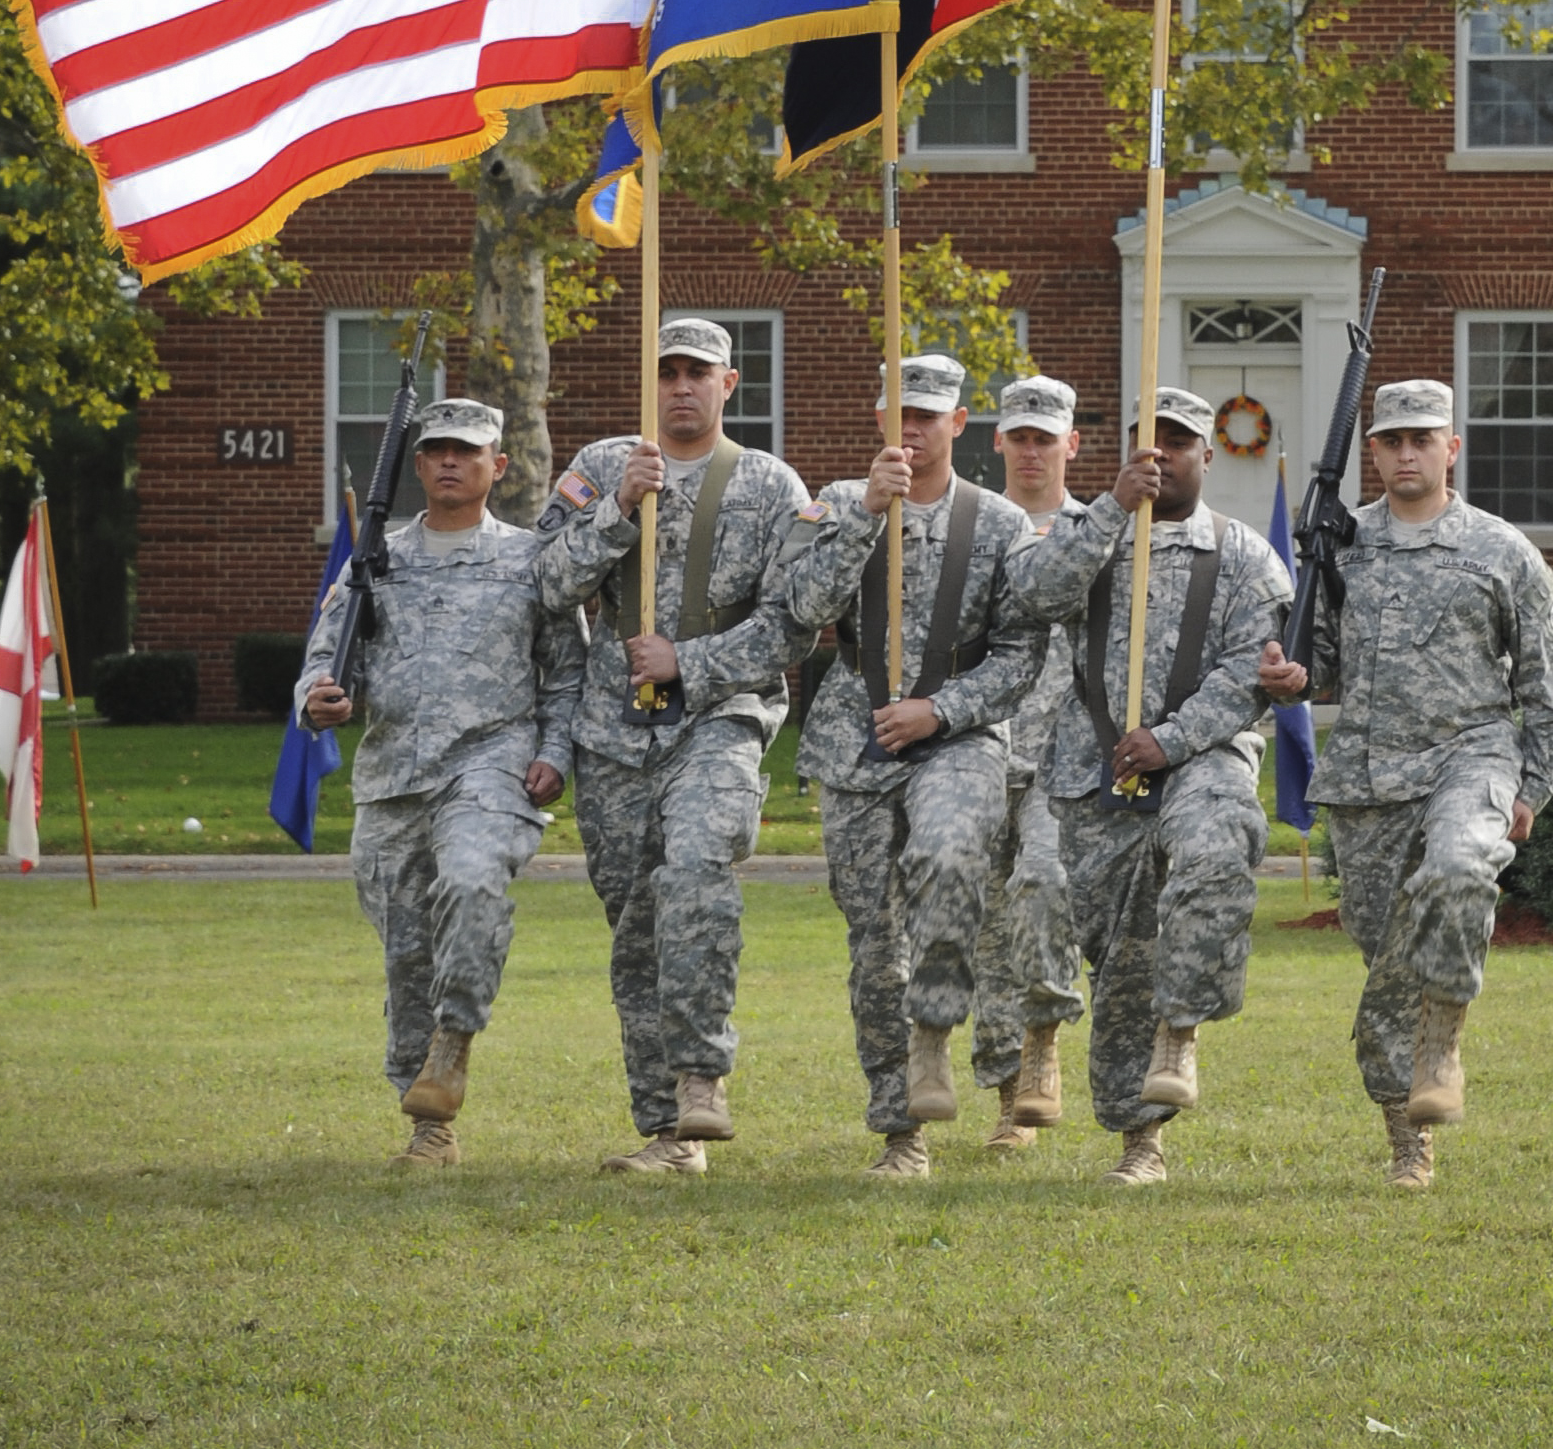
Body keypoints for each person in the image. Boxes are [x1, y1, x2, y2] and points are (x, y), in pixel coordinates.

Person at [1257, 380, 1553, 1191]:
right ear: (1373, 452)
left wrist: (1531, 789)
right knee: (1384, 961)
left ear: (1451, 448)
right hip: (1367, 778)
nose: (1407, 453)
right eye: (1392, 440)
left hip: (1468, 758)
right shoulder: (1341, 545)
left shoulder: (1503, 552)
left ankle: (1444, 1040)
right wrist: (1290, 675)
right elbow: (1318, 663)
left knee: (1458, 870)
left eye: (1422, 439)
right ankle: (1408, 1137)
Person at [534, 318, 814, 1175]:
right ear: (648, 382)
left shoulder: (769, 486)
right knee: (636, 928)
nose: (682, 386)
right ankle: (666, 1134)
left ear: (731, 385)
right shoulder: (601, 469)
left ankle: (702, 1075)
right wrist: (619, 512)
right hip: (614, 732)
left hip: (721, 719)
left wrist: (688, 661)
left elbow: (793, 626)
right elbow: (545, 584)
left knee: (697, 872)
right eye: (667, 371)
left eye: (699, 372)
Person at [1006, 387, 1291, 1186]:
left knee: (1215, 849)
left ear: (1209, 455)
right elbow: (1032, 597)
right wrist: (1108, 514)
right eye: (1148, 440)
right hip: (1091, 769)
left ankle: (1182, 1026)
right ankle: (1141, 1143)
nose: (1162, 453)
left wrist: (1169, 741)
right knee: (1121, 952)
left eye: (1181, 441)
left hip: (1203, 759)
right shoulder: (1088, 534)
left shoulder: (1241, 555)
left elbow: (1250, 673)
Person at [295, 397, 584, 1171]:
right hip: (391, 778)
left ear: (500, 464)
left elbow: (566, 673)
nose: (450, 462)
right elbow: (325, 658)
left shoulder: (530, 560)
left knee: (470, 880)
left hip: (491, 762)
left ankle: (455, 1036)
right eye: (436, 451)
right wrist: (317, 699)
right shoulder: (373, 559)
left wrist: (556, 751)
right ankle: (429, 1124)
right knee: (405, 956)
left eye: (467, 450)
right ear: (417, 465)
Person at [776, 355, 1044, 1179]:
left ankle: (936, 1027)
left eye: (931, 417)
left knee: (951, 853)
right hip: (855, 741)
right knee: (873, 943)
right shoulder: (832, 507)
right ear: (881, 419)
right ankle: (903, 1128)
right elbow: (801, 610)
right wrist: (865, 512)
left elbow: (1022, 656)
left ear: (959, 425)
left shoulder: (1000, 525)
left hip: (957, 735)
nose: (915, 431)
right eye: (902, 416)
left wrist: (944, 709)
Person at [967, 374, 1087, 1152]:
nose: (1033, 449)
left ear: (1071, 443)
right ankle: (1012, 1098)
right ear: (1000, 441)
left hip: (1063, 756)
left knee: (1042, 885)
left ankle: (1044, 1039)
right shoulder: (977, 529)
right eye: (1020, 436)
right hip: (978, 745)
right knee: (984, 927)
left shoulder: (1100, 534)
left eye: (1048, 437)